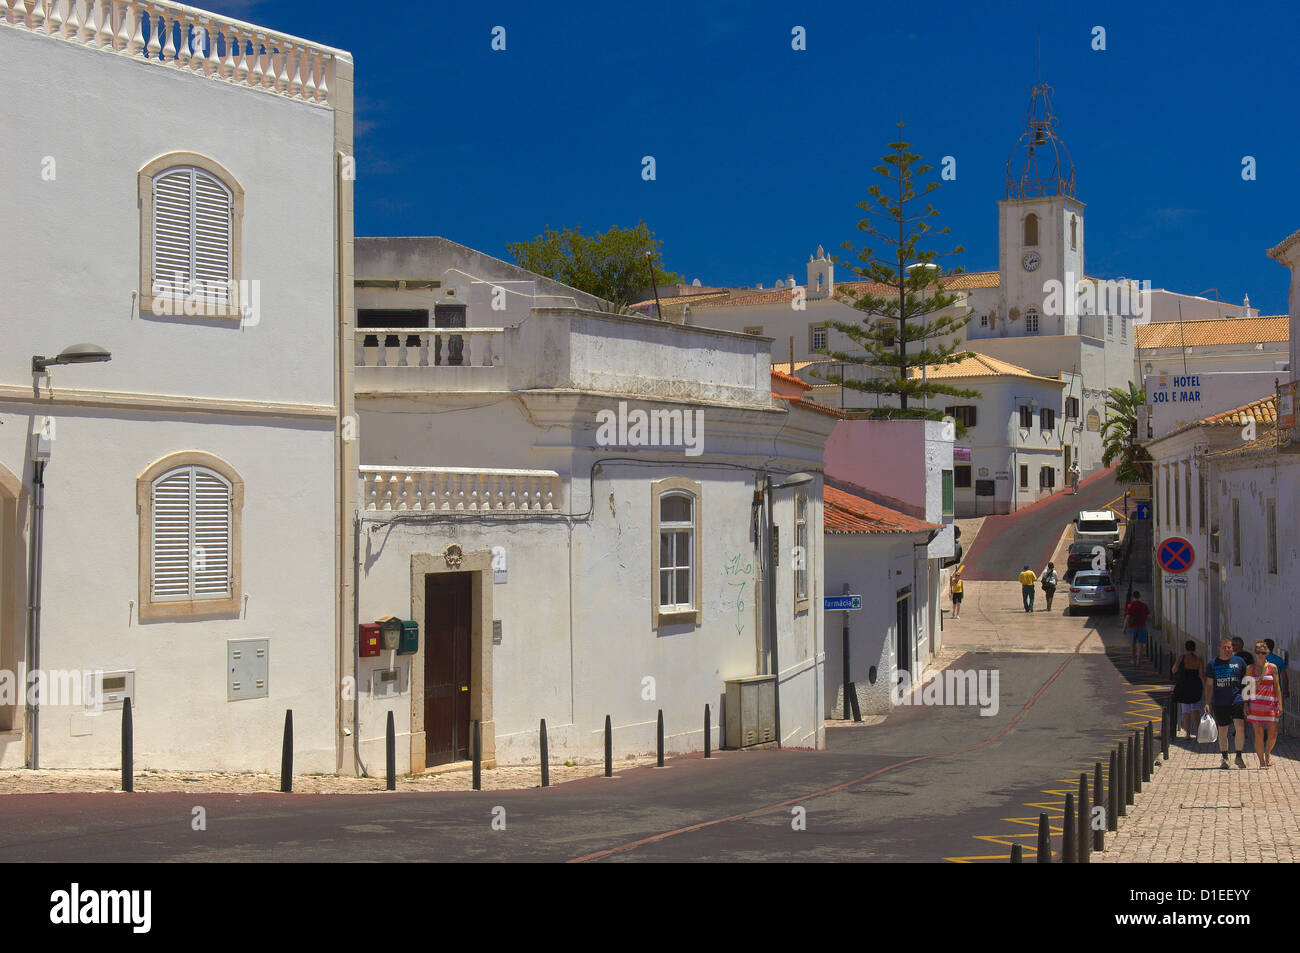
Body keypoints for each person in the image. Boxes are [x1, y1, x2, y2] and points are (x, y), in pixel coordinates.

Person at [1204, 637, 1249, 769]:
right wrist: (1207, 702)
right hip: (1220, 702)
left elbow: (1247, 681)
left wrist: (1247, 701)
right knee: (1223, 730)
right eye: (1224, 647)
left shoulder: (1239, 662)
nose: (1227, 650)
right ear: (1219, 648)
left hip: (1237, 699)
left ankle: (1239, 756)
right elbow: (1209, 685)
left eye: (1229, 647)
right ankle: (1225, 758)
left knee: (1240, 727)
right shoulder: (1213, 664)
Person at [1245, 640, 1282, 768]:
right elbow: (1247, 688)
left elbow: (1277, 687)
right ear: (1255, 653)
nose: (1260, 655)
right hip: (1256, 706)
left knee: (1273, 734)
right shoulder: (1250, 669)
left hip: (1271, 705)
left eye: (1263, 652)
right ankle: (1261, 761)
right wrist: (1246, 704)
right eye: (1258, 652)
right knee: (1259, 734)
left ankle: (1267, 753)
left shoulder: (1273, 668)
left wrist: (1280, 704)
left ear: (1267, 653)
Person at [1170, 640, 1204, 738]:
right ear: (1195, 648)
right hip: (1195, 686)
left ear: (1186, 648)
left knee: (1185, 710)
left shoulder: (1182, 658)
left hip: (1184, 685)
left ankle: (1188, 733)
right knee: (1196, 709)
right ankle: (1198, 732)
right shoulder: (1198, 660)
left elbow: (1173, 670)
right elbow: (1201, 675)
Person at [1124, 592, 1150, 665]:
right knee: (1140, 645)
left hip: (1132, 627)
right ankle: (1139, 661)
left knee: (1133, 644)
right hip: (1142, 626)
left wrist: (1124, 628)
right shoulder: (1144, 605)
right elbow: (1149, 616)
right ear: (1139, 596)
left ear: (1133, 597)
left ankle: (1133, 660)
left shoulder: (1130, 606)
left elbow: (1127, 617)